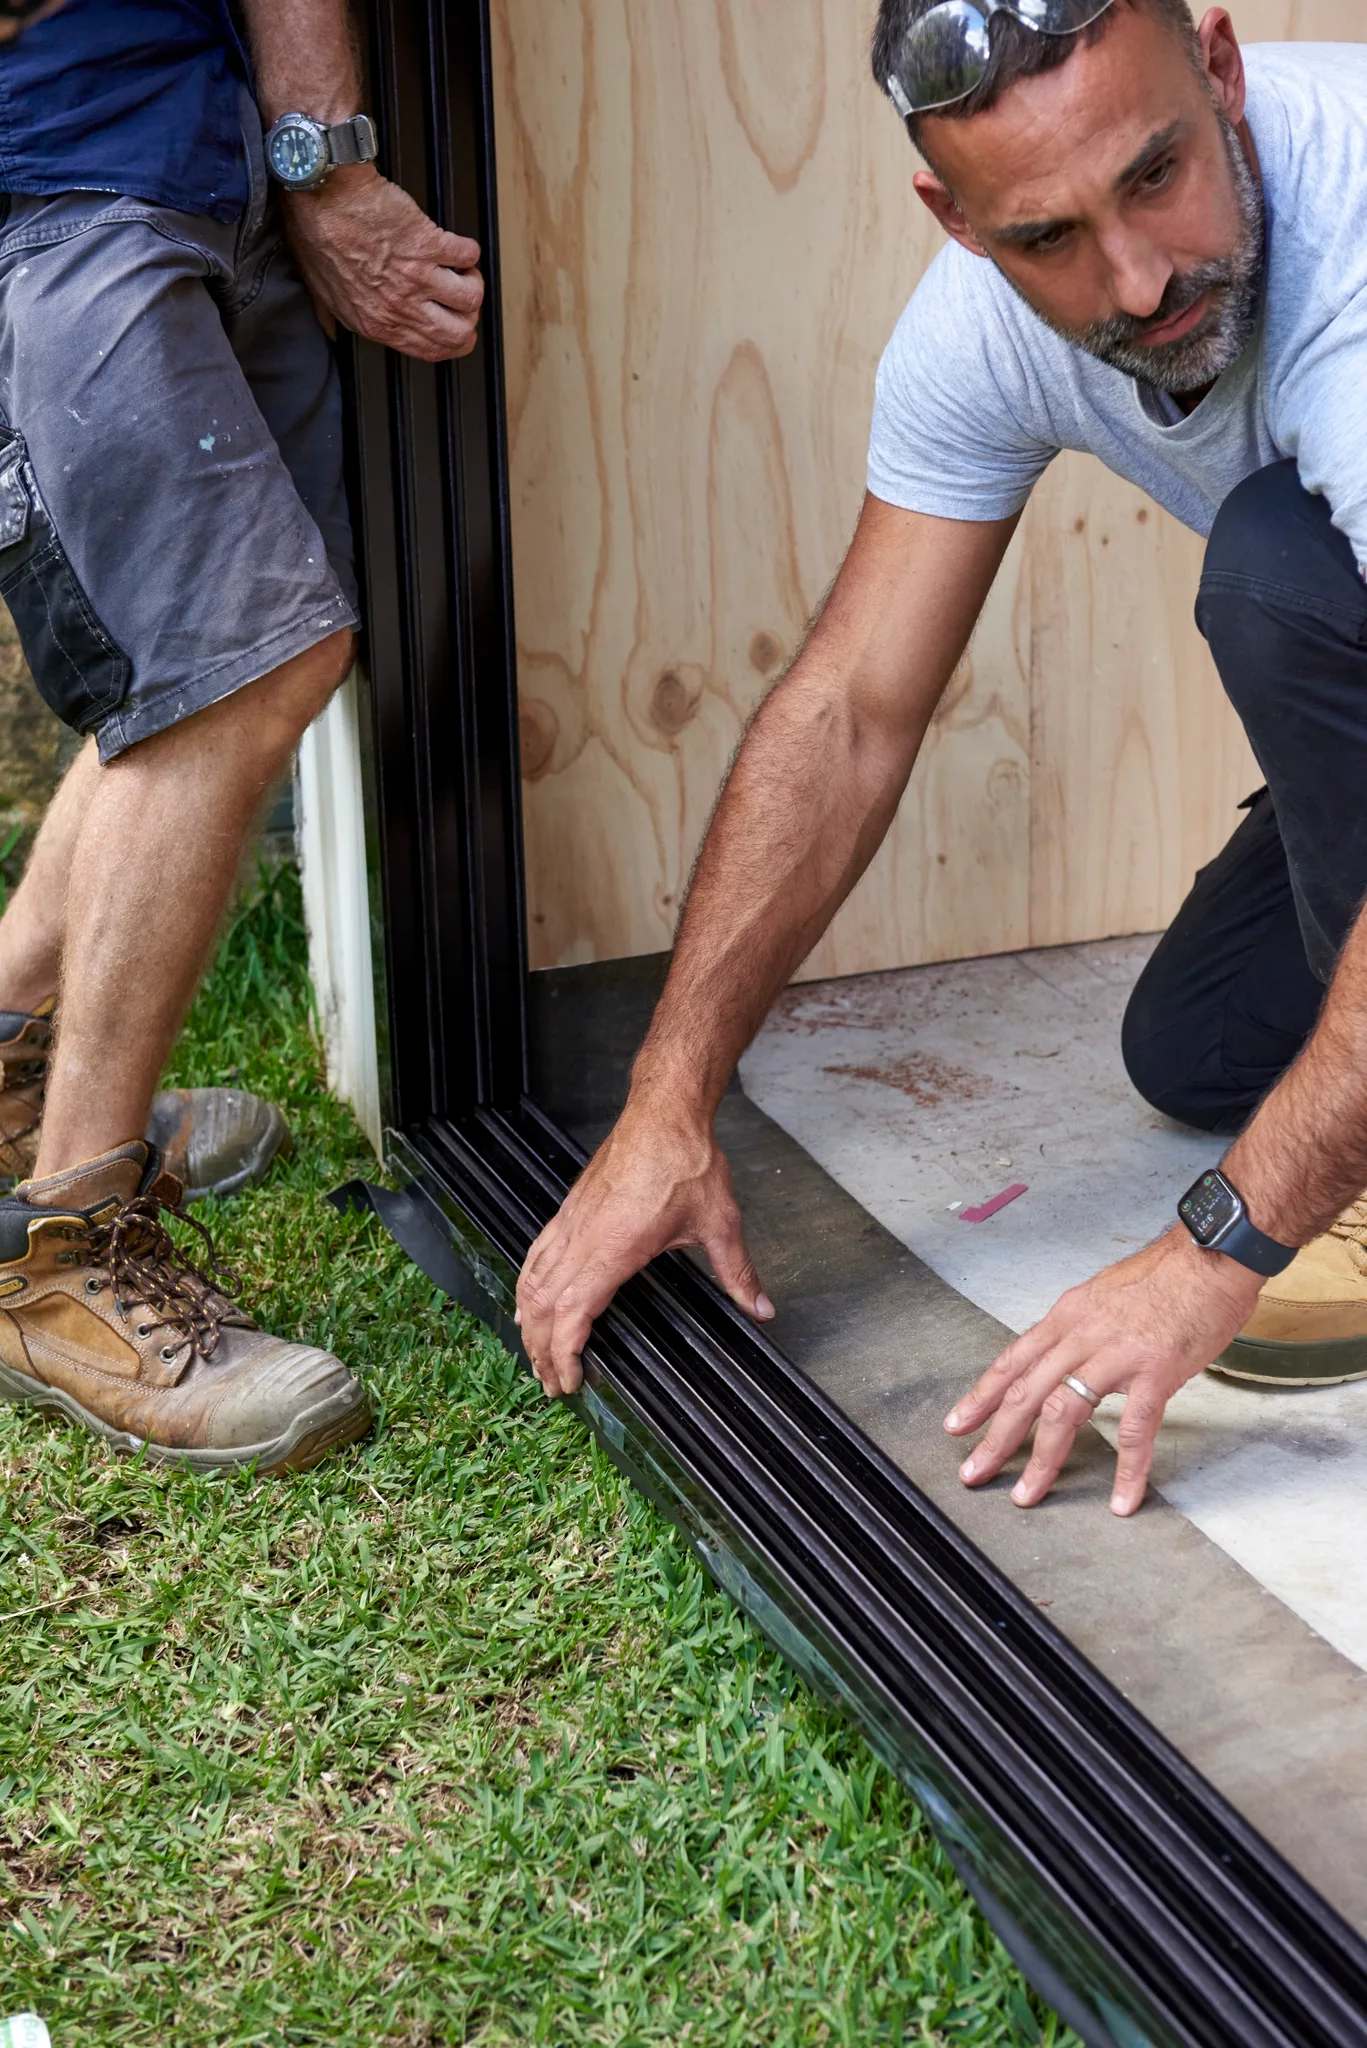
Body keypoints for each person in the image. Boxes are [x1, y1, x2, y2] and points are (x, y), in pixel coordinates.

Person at [516, 0, 1367, 1520]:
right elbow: (848, 708)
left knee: (1275, 571)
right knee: (1201, 1050)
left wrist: (1215, 1245)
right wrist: (667, 1099)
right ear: (954, 219)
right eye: (1046, 235)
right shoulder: (979, 324)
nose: (1139, 277)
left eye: (1157, 173)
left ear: (1222, 68)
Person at [0, 0, 482, 1472]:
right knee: (229, 668)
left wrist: (297, 159)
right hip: (56, 184)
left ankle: (9, 1068)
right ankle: (62, 1259)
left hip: (183, 147)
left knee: (239, 646)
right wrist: (330, 164)